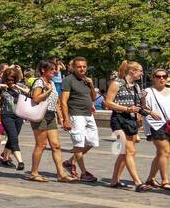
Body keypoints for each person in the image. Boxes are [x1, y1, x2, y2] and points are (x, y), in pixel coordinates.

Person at [26, 61, 72, 183]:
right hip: (40, 115)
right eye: (52, 69)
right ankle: (34, 173)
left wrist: (61, 117)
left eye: (55, 69)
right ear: (43, 70)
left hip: (50, 115)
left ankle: (61, 174)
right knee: (41, 144)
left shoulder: (51, 82)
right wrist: (47, 91)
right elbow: (36, 99)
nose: (54, 71)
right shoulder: (39, 82)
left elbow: (56, 101)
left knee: (56, 145)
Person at [104, 60, 144, 190]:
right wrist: (126, 109)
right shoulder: (117, 83)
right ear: (132, 71)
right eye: (140, 71)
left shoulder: (136, 87)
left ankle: (114, 181)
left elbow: (138, 106)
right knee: (129, 151)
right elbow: (108, 103)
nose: (142, 74)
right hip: (118, 119)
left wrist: (141, 109)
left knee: (123, 153)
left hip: (130, 120)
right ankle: (138, 182)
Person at [60, 58, 99, 182]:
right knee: (78, 144)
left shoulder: (86, 80)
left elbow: (93, 97)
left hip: (88, 115)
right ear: (73, 68)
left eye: (84, 66)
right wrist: (66, 119)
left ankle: (70, 162)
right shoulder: (68, 80)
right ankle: (84, 172)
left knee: (91, 142)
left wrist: (91, 85)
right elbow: (63, 101)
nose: (82, 69)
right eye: (79, 67)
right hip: (76, 115)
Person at [0, 66, 26, 171]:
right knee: (14, 138)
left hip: (19, 115)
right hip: (6, 115)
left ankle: (5, 159)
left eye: (12, 79)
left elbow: (30, 93)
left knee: (13, 137)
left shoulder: (19, 86)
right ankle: (20, 162)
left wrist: (19, 88)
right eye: (8, 80)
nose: (10, 82)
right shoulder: (2, 87)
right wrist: (0, 85)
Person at [141, 67, 170, 190]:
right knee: (165, 152)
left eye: (164, 76)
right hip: (155, 124)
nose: (161, 78)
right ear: (153, 78)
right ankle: (165, 181)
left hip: (168, 124)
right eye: (158, 76)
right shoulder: (147, 91)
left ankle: (150, 178)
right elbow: (141, 107)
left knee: (160, 154)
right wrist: (151, 112)